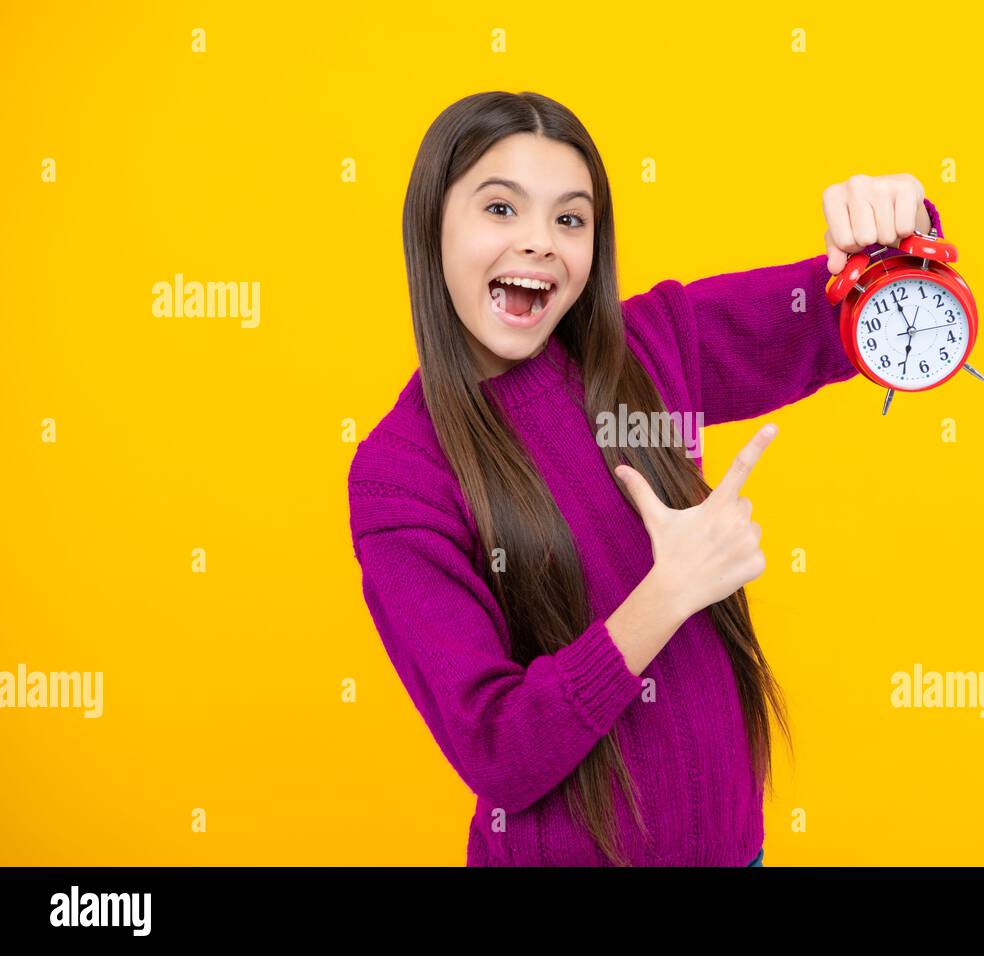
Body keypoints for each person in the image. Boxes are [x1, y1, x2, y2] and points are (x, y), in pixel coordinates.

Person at [347, 90, 942, 866]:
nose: (539, 244)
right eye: (500, 209)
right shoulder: (402, 475)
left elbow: (850, 309)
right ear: (431, 228)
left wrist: (896, 231)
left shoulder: (656, 346)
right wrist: (669, 594)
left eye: (570, 219)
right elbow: (498, 751)